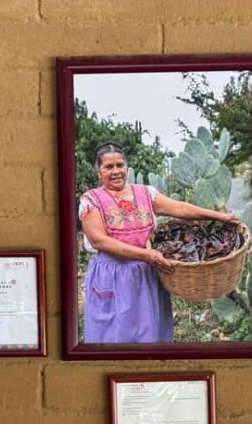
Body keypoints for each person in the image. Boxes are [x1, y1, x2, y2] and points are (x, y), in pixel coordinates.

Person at [79, 142, 239, 343]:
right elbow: (99, 241)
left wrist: (220, 216)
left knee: (149, 331)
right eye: (108, 167)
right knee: (113, 334)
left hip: (147, 274)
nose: (116, 171)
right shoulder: (91, 200)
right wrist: (146, 255)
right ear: (98, 171)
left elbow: (180, 208)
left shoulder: (145, 193)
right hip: (113, 276)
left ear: (127, 167)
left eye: (120, 165)